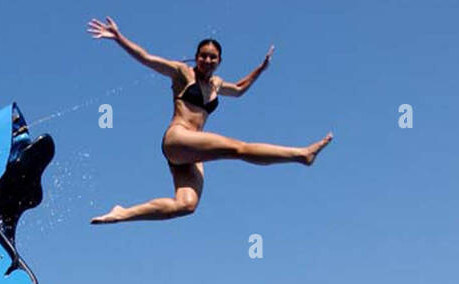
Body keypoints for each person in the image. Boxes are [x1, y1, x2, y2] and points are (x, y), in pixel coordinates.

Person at [85, 18, 333, 224]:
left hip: (193, 152)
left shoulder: (216, 84)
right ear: (196, 57)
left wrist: (260, 69)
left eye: (213, 57)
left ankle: (122, 213)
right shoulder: (182, 73)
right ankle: (301, 154)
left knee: (186, 205)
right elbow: (147, 58)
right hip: (178, 138)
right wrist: (119, 38)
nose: (207, 61)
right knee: (238, 149)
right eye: (203, 56)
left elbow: (239, 88)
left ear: (219, 61)